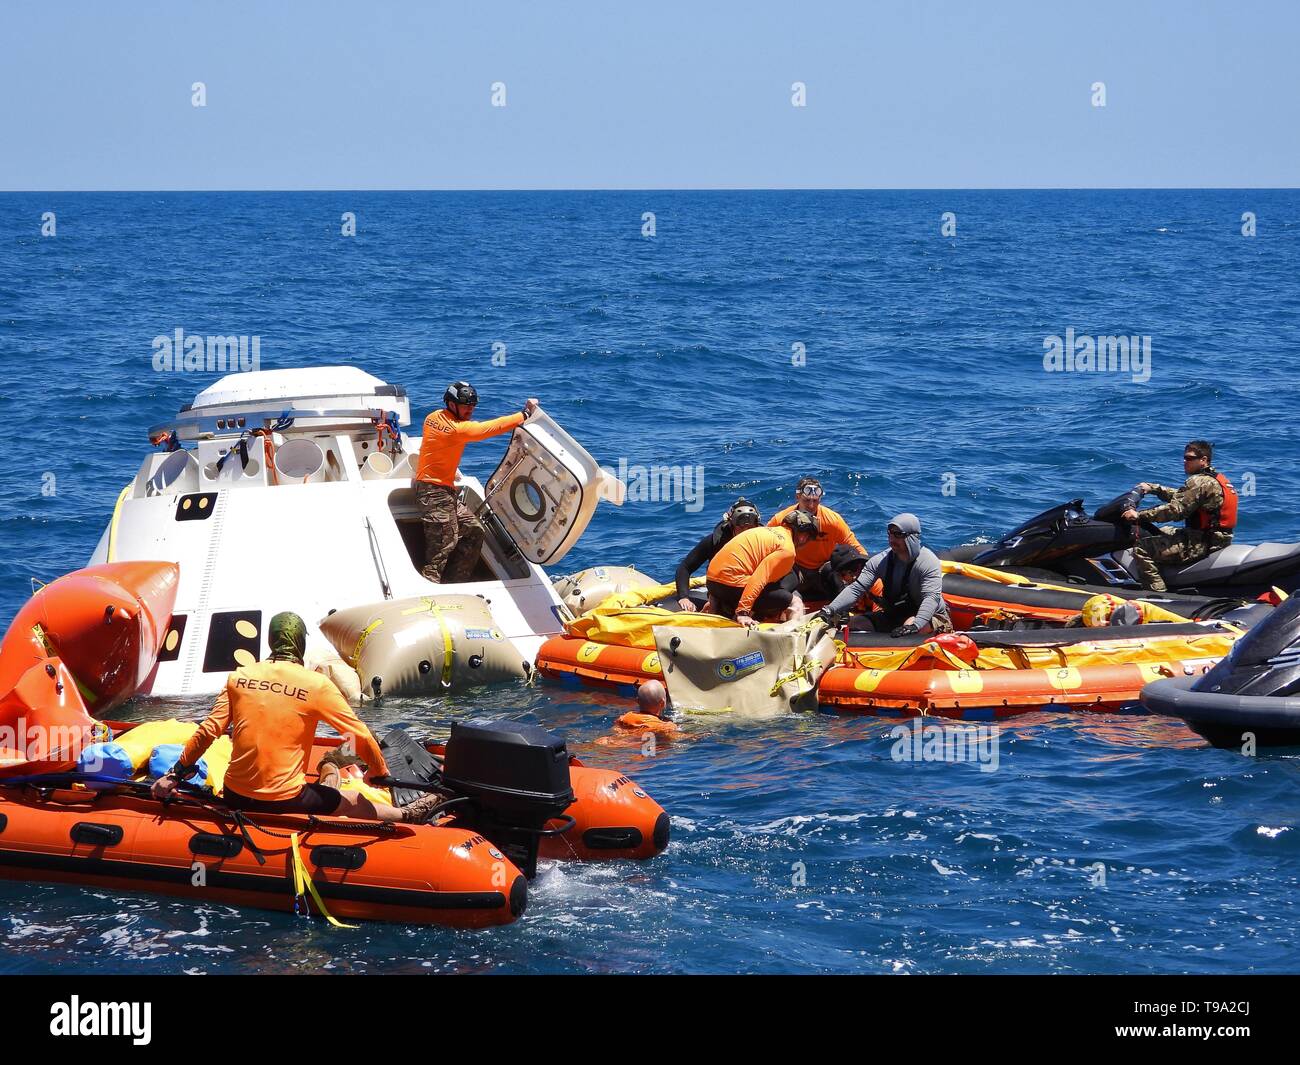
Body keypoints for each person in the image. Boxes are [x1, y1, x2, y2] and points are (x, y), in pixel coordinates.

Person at [152, 612, 438, 823]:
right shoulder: (316, 685)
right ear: (300, 643)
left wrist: (175, 774)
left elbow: (208, 731)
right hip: (284, 799)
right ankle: (405, 815)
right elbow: (359, 735)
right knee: (352, 799)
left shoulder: (239, 678)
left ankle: (330, 770)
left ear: (271, 641)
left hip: (235, 795)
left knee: (328, 771)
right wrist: (379, 773)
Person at [414, 380, 539, 583]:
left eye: (472, 406)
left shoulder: (433, 417)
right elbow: (488, 429)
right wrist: (524, 415)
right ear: (451, 404)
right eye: (466, 406)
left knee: (474, 530)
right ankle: (430, 586)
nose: (470, 410)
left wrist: (448, 471)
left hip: (443, 488)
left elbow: (436, 448)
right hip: (432, 492)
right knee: (443, 545)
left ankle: (455, 581)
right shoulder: (458, 429)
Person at [1121, 439, 1238, 592]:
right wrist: (1154, 488)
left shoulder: (1199, 481)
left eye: (1189, 458)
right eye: (1184, 457)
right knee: (1160, 531)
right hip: (1215, 538)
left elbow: (1175, 510)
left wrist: (1139, 515)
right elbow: (1184, 498)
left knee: (1142, 548)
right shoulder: (1215, 479)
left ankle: (1156, 595)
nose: (1184, 461)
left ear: (1203, 460)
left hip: (1202, 543)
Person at [816, 513, 953, 636]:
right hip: (894, 615)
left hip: (932, 616)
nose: (892, 539)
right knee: (855, 623)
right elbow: (857, 588)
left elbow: (931, 598)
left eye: (898, 534)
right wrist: (830, 609)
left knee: (910, 625)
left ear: (913, 537)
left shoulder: (928, 562)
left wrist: (915, 625)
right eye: (890, 533)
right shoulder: (880, 561)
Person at [706, 509, 817, 626]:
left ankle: (716, 606)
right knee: (795, 601)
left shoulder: (764, 531)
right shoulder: (787, 549)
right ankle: (794, 636)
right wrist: (743, 612)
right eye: (809, 538)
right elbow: (759, 578)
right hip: (732, 586)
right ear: (803, 536)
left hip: (712, 584)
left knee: (770, 588)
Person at [767, 476, 867, 601]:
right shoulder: (781, 519)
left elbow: (854, 547)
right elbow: (765, 544)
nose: (811, 505)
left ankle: (841, 610)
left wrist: (866, 571)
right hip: (795, 568)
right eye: (806, 500)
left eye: (815, 501)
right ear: (797, 497)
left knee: (834, 570)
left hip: (822, 569)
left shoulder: (833, 520)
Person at [674, 497, 762, 612]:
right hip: (721, 593)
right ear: (731, 524)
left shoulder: (764, 541)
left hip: (753, 594)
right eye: (740, 527)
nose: (745, 531)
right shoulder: (716, 541)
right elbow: (685, 567)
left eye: (750, 527)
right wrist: (684, 598)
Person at [612, 679, 681, 741]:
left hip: (619, 741)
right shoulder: (665, 726)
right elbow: (678, 738)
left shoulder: (625, 717)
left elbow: (616, 726)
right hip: (639, 745)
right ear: (662, 703)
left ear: (637, 701)